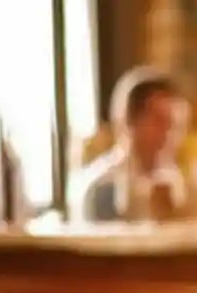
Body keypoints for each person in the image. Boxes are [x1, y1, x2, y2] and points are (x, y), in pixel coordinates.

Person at [69, 65, 189, 221]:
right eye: (159, 121)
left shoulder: (183, 187)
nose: (169, 133)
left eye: (175, 124)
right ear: (129, 120)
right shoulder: (101, 189)